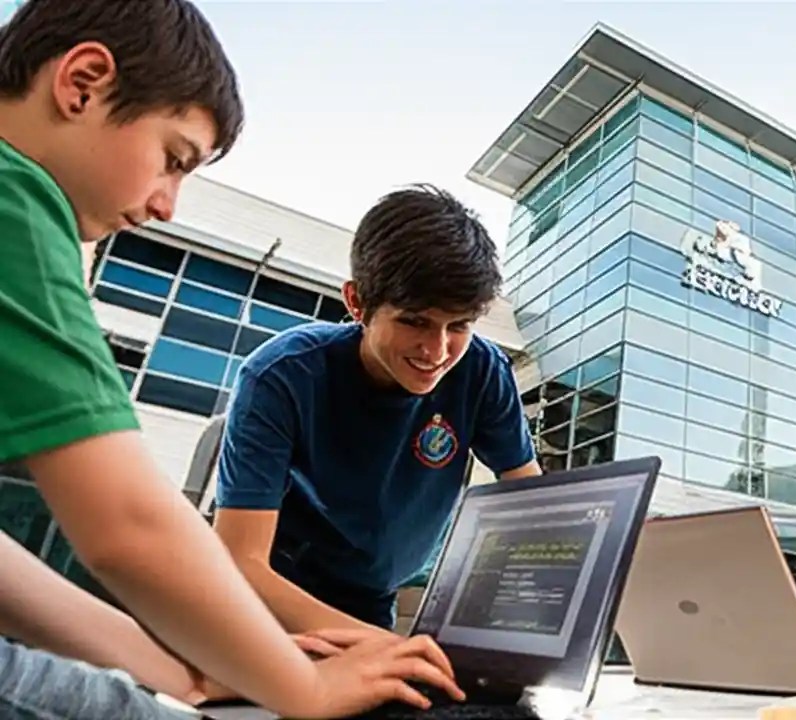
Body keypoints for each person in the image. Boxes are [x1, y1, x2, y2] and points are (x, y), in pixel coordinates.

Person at [0, 0, 462, 718]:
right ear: (83, 82)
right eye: (174, 159)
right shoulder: (17, 205)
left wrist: (184, 671)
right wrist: (302, 686)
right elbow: (127, 526)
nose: (167, 206)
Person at [213, 184, 541, 636]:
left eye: (459, 326)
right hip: (271, 592)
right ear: (356, 303)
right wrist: (387, 649)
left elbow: (530, 500)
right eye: (414, 321)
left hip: (371, 598)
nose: (438, 351)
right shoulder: (281, 376)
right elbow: (238, 561)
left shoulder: (482, 370)